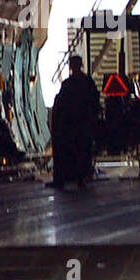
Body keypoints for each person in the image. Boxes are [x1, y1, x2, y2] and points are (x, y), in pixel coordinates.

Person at [48, 55, 100, 188]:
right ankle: (81, 178)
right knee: (82, 152)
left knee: (67, 152)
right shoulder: (87, 82)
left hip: (70, 126)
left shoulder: (68, 84)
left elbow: (60, 105)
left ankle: (61, 180)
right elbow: (95, 103)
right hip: (83, 125)